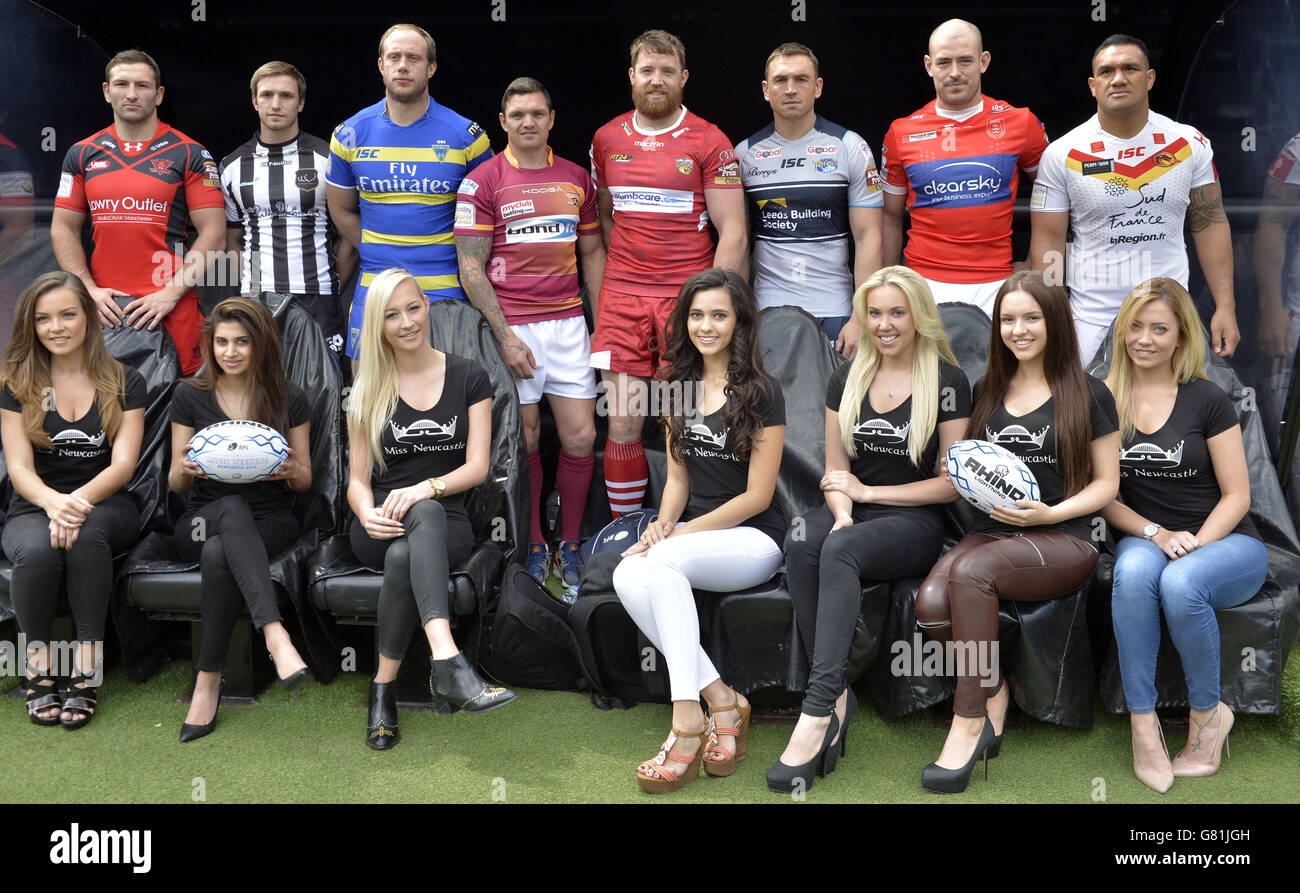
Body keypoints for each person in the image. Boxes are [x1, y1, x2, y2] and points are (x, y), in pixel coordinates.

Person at [914, 270, 1120, 793]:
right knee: (931, 605)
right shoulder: (988, 388)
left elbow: (1107, 485)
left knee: (973, 572)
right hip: (994, 532)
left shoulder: (1090, 393)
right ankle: (995, 687)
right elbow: (967, 466)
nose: (1019, 329)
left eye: (1032, 318)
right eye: (1008, 319)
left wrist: (1049, 514)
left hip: (1064, 537)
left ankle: (969, 721)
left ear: (1055, 323)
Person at [772, 266, 971, 793]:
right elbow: (836, 472)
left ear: (918, 316)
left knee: (841, 550)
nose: (884, 325)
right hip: (854, 508)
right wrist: (842, 513)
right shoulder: (848, 377)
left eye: (896, 313)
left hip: (914, 519)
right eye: (875, 313)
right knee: (802, 539)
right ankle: (838, 695)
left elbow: (951, 485)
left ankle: (816, 710)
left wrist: (869, 497)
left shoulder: (947, 382)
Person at [613, 268, 786, 793]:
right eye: (696, 315)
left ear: (739, 323)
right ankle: (722, 701)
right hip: (692, 536)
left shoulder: (762, 392)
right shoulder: (674, 389)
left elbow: (757, 497)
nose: (706, 326)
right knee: (626, 573)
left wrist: (681, 536)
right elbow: (678, 480)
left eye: (718, 315)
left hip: (754, 539)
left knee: (663, 560)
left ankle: (686, 720)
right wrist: (662, 525)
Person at [1101, 278, 1266, 792]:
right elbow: (1102, 494)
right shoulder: (1104, 399)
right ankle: (1143, 725)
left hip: (1226, 542)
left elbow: (1237, 495)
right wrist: (1157, 533)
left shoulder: (1208, 398)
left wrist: (1194, 545)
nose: (1144, 339)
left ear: (1180, 337)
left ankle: (1207, 718)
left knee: (1181, 582)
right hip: (1147, 535)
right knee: (1132, 572)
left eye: (1159, 329)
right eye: (1135, 326)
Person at [347, 267, 515, 750]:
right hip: (380, 526)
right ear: (378, 325)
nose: (406, 323)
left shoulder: (469, 375)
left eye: (413, 308)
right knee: (401, 544)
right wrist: (365, 513)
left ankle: (383, 690)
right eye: (391, 315)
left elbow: (478, 467)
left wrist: (427, 488)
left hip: (447, 521)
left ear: (427, 306)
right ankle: (449, 664)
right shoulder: (366, 385)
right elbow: (357, 480)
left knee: (425, 519)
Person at [454, 77, 605, 589]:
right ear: (503, 121)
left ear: (552, 118)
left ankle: (570, 543)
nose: (528, 122)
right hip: (513, 326)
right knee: (527, 437)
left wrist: (601, 325)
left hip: (568, 323)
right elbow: (470, 267)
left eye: (538, 113)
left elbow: (592, 253)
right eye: (518, 114)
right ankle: (536, 542)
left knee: (581, 436)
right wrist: (504, 337)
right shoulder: (482, 181)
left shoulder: (576, 178)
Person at [589, 29, 746, 517]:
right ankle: (623, 532)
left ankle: (687, 530)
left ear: (684, 77)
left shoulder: (710, 139)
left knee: (685, 422)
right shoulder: (606, 138)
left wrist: (714, 308)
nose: (657, 80)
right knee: (621, 423)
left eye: (667, 71)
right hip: (622, 297)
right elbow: (606, 218)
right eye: (647, 71)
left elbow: (734, 232)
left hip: (686, 301)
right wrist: (625, 275)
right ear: (631, 76)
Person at [1029, 34, 1240, 364]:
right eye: (1106, 71)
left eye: (1130, 68)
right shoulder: (1061, 154)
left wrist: (1225, 305)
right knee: (1089, 401)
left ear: (1150, 78)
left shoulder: (1189, 143)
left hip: (1169, 318)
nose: (1118, 78)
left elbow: (1210, 223)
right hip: (1092, 320)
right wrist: (1052, 317)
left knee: (1178, 400)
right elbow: (1048, 243)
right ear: (1092, 85)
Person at [0, 271, 146, 728]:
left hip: (108, 502)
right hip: (35, 502)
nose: (56, 327)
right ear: (31, 325)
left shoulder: (125, 380)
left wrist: (74, 504)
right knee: (35, 550)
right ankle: (37, 668)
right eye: (43, 319)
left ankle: (86, 667)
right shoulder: (16, 383)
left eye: (67, 314)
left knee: (85, 538)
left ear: (88, 318)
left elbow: (124, 465)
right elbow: (19, 468)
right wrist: (52, 503)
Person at [169, 298, 315, 742]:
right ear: (210, 345)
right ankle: (275, 635)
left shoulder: (289, 398)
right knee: (229, 511)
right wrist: (185, 469)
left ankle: (207, 682)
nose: (230, 352)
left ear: (261, 345)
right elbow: (175, 483)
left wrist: (290, 470)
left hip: (270, 520)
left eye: (242, 342)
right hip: (202, 520)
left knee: (220, 553)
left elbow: (305, 480)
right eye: (221, 342)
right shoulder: (189, 395)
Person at [51, 49, 226, 376]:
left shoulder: (191, 153)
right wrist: (87, 290)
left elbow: (214, 234)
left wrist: (170, 293)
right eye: (122, 84)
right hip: (105, 310)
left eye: (142, 86)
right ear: (107, 91)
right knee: (105, 399)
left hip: (171, 309)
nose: (131, 94)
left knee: (182, 400)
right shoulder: (81, 153)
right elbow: (63, 228)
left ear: (158, 95)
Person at [326, 24, 491, 362]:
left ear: (431, 67)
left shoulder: (468, 136)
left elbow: (487, 217)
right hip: (377, 286)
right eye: (394, 57)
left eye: (413, 58)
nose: (402, 65)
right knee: (369, 391)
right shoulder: (348, 134)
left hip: (447, 290)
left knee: (451, 389)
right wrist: (377, 249)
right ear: (381, 65)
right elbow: (340, 210)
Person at [880, 19, 1048, 317]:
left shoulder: (1021, 122)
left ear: (984, 62)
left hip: (997, 283)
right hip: (922, 284)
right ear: (929, 66)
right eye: (944, 62)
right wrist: (887, 287)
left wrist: (1035, 264)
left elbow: (1053, 196)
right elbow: (889, 216)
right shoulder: (901, 132)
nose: (955, 72)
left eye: (965, 61)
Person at [735, 42, 883, 358]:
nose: (791, 89)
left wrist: (861, 316)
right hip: (766, 311)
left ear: (817, 87)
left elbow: (869, 236)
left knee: (837, 393)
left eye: (801, 79)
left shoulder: (850, 147)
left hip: (837, 311)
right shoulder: (744, 155)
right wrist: (735, 315)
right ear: (766, 90)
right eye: (780, 80)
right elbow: (737, 241)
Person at [221, 61, 357, 358]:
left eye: (286, 95)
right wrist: (251, 288)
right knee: (260, 384)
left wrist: (332, 285)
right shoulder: (231, 166)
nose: (275, 104)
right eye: (267, 95)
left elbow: (351, 233)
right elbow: (232, 240)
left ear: (301, 102)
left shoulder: (328, 158)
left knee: (323, 384)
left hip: (319, 299)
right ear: (254, 101)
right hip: (257, 300)